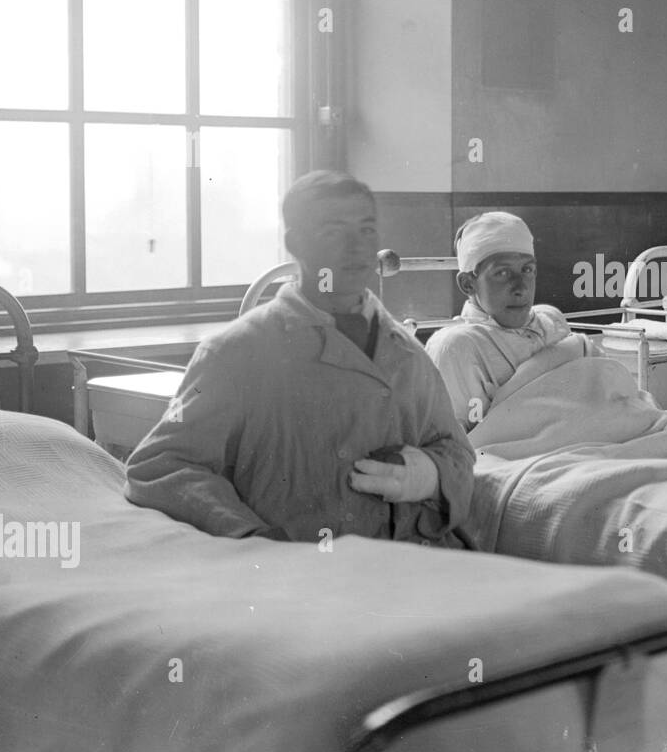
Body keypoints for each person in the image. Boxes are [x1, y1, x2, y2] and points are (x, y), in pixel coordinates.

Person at [125, 171, 475, 545]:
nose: (357, 248)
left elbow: (456, 454)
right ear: (296, 243)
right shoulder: (240, 352)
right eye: (333, 232)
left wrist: (424, 475)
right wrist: (251, 536)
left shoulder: (406, 355)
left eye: (367, 230)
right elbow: (160, 464)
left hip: (405, 568)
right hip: (298, 575)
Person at [425, 211, 597, 429]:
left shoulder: (551, 322)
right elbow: (460, 443)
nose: (521, 288)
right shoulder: (457, 347)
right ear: (468, 284)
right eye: (503, 273)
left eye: (527, 270)